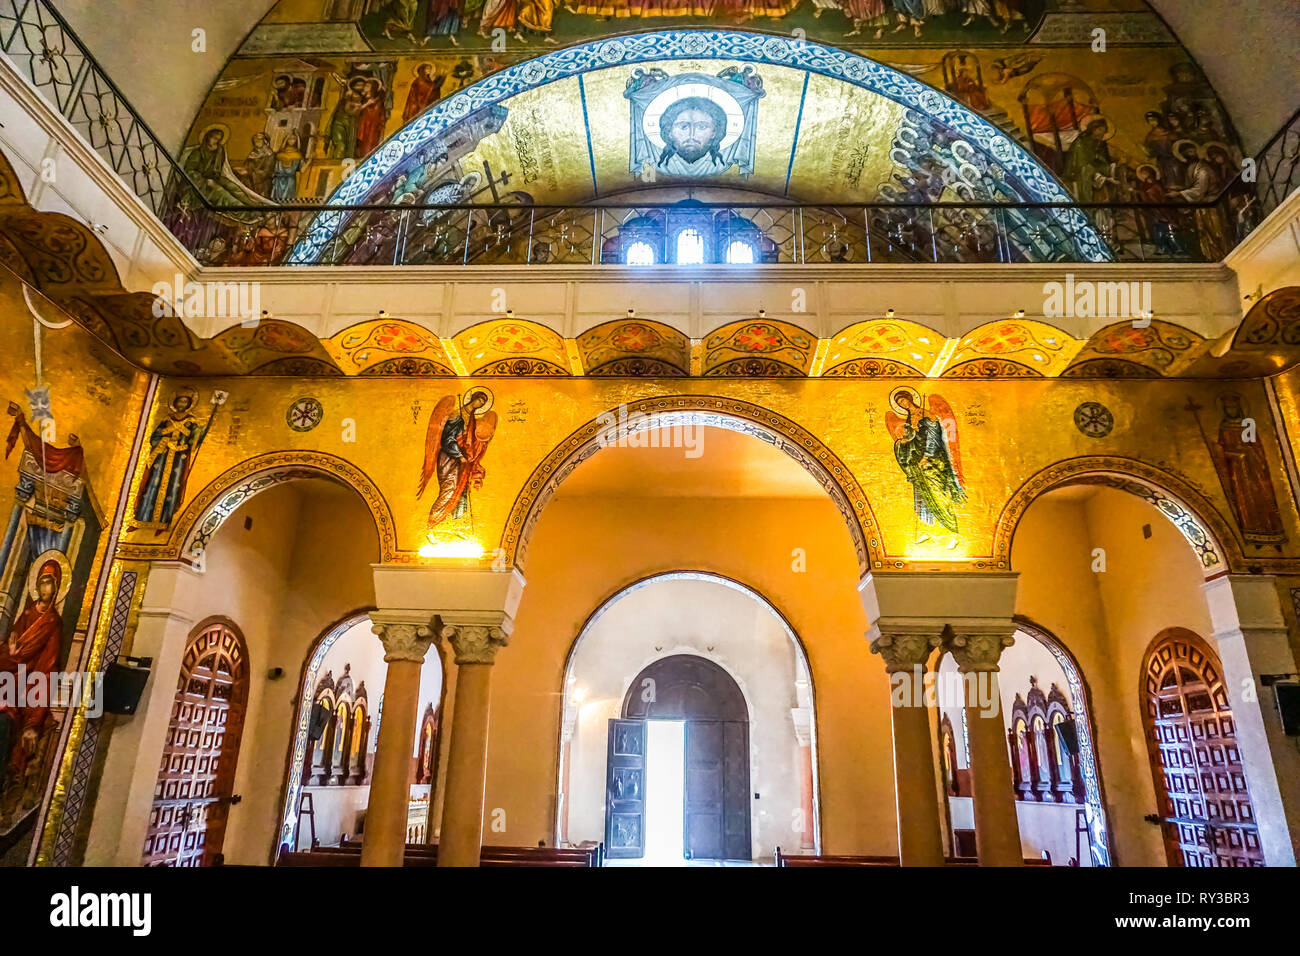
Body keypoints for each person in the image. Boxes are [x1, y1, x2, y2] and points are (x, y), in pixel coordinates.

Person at [0, 561, 63, 784]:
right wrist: (11, 653)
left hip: (24, 686)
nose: (45, 588)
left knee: (5, 725)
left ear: (56, 588)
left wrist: (33, 723)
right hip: (6, 674)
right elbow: (10, 649)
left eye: (50, 583)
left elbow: (47, 667)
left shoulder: (53, 622)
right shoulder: (27, 613)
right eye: (42, 582)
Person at [270, 132, 303, 203]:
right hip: (278, 181)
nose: (291, 141)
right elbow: (274, 168)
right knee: (276, 202)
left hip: (290, 181)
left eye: (293, 139)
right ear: (286, 140)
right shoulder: (279, 154)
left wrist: (310, 160)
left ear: (296, 140)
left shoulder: (298, 155)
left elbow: (302, 170)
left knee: (287, 203)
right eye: (289, 139)